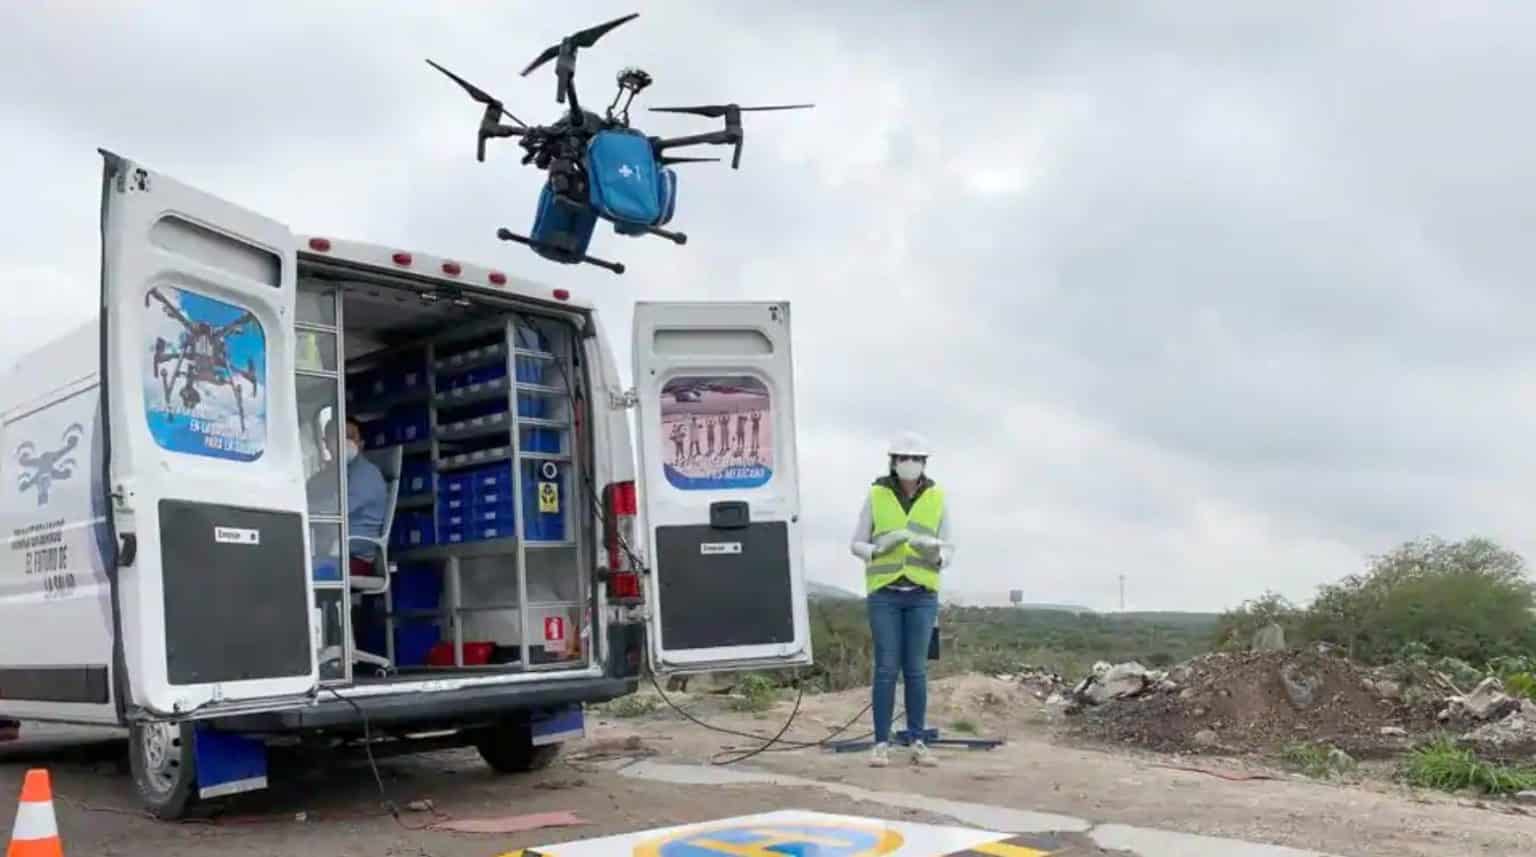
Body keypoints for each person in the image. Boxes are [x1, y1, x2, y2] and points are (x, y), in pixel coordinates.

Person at [849, 431, 954, 768]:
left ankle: (917, 741)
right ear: (893, 462)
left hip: (922, 595)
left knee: (916, 670)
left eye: (916, 459)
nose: (910, 463)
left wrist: (935, 554)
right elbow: (856, 543)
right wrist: (879, 549)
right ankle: (881, 743)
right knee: (886, 669)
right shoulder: (877, 494)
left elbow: (948, 548)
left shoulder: (937, 496)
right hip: (885, 594)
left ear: (924, 463)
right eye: (904, 458)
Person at [307, 416, 388, 575]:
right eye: (338, 436)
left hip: (353, 557)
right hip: (328, 551)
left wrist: (306, 509)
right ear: (326, 443)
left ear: (361, 443)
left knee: (297, 571)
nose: (345, 442)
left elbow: (337, 508)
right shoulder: (326, 477)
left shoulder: (366, 474)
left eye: (350, 437)